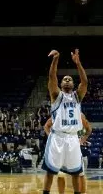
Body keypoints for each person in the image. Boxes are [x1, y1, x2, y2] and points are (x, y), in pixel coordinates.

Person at [42, 49, 88, 194]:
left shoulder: (77, 96)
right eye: (65, 79)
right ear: (61, 84)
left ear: (73, 84)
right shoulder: (56, 95)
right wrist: (56, 59)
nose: (67, 80)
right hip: (57, 137)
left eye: (70, 79)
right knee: (50, 172)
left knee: (75, 172)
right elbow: (51, 76)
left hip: (73, 138)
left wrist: (78, 63)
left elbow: (85, 82)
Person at [44, 113, 92, 194]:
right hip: (60, 148)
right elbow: (46, 126)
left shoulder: (79, 114)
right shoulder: (58, 113)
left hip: (74, 147)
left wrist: (82, 140)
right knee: (60, 175)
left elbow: (88, 129)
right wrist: (51, 137)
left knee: (80, 174)